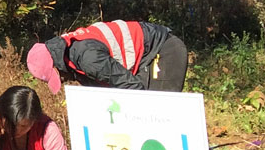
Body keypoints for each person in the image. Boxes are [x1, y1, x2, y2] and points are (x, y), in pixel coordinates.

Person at [27, 20, 188, 94]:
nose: (61, 80)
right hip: (143, 59)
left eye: (57, 75)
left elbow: (133, 87)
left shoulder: (88, 59)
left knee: (158, 110)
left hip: (163, 49)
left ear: (57, 65)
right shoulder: (70, 54)